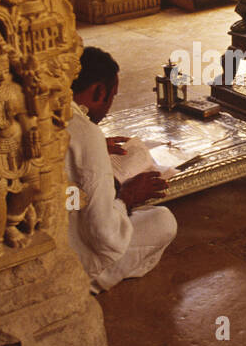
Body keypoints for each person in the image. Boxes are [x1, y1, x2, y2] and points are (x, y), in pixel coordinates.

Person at [65, 46, 177, 291]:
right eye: (112, 96)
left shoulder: (51, 113)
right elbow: (103, 235)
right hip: (73, 256)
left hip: (58, 231)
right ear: (99, 91)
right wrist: (127, 197)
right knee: (164, 221)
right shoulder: (88, 135)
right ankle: (92, 281)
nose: (108, 110)